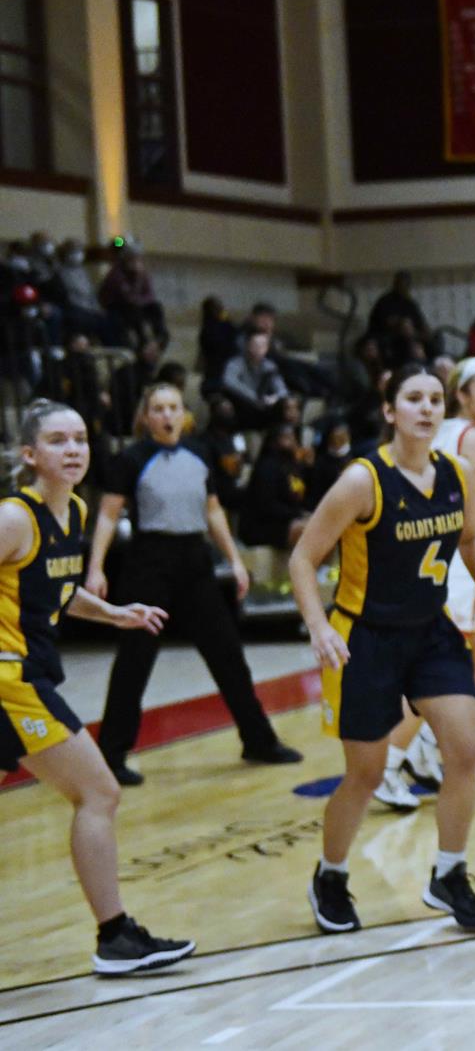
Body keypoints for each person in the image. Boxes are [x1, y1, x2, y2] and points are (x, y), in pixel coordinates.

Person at [291, 362, 475, 934]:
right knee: (365, 774)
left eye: (435, 400)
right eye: (413, 398)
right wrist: (318, 626)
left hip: (431, 631)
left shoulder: (457, 472)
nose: (426, 408)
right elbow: (302, 558)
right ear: (390, 411)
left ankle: (450, 873)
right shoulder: (362, 481)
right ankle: (330, 875)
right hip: (365, 637)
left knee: (464, 751)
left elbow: (470, 537)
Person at [2, 398, 195, 975]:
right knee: (99, 792)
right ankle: (115, 936)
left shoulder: (74, 513)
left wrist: (114, 614)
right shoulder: (14, 518)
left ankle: (115, 938)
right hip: (11, 680)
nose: (73, 450)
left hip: (30, 673)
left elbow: (57, 590)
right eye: (57, 441)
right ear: (30, 455)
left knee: (96, 795)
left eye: (80, 439)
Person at [86, 381, 301, 786]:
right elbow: (108, 515)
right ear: (146, 416)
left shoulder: (200, 452)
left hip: (195, 561)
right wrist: (96, 567)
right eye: (158, 408)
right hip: (149, 562)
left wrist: (235, 561)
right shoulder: (131, 459)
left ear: (184, 414)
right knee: (135, 659)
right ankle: (111, 757)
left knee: (228, 654)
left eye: (173, 407)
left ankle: (258, 740)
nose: (167, 415)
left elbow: (213, 511)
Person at [379, 357, 475, 798]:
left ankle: (422, 744)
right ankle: (389, 762)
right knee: (442, 676)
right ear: (461, 396)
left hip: (432, 559)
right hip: (457, 566)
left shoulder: (440, 432)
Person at [239, 423, 312, 550]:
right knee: (308, 530)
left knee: (321, 524)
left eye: (293, 437)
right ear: (274, 442)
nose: (292, 441)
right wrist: (297, 514)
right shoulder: (267, 466)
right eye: (287, 437)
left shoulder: (292, 465)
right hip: (261, 525)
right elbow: (267, 506)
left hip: (284, 520)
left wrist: (310, 467)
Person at [96, 247, 167, 348]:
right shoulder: (116, 274)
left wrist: (139, 279)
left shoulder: (142, 274)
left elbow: (149, 295)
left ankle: (160, 336)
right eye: (132, 259)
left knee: (155, 307)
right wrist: (138, 293)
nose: (135, 262)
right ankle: (142, 340)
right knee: (133, 309)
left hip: (135, 303)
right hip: (116, 306)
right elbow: (126, 295)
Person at [220, 330, 289, 431]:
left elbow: (283, 390)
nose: (258, 348)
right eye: (255, 345)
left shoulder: (269, 366)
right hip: (241, 403)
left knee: (285, 406)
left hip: (263, 407)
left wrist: (274, 398)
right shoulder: (236, 362)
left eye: (262, 345)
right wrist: (254, 398)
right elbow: (229, 382)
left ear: (266, 348)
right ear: (248, 345)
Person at [365, 271, 431, 352]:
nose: (403, 287)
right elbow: (385, 323)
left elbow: (420, 322)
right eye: (401, 284)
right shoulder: (385, 301)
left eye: (406, 284)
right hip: (387, 336)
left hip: (410, 336)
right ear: (395, 284)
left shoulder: (409, 303)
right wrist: (402, 325)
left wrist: (423, 331)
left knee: (430, 340)